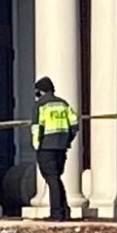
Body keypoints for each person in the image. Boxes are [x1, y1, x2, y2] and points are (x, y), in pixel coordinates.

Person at [31, 76, 78, 221]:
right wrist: (67, 140)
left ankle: (56, 213)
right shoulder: (63, 104)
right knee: (56, 178)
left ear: (40, 91)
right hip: (61, 147)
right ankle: (64, 210)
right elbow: (75, 125)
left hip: (46, 146)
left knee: (51, 179)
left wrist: (36, 146)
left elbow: (37, 127)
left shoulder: (41, 105)